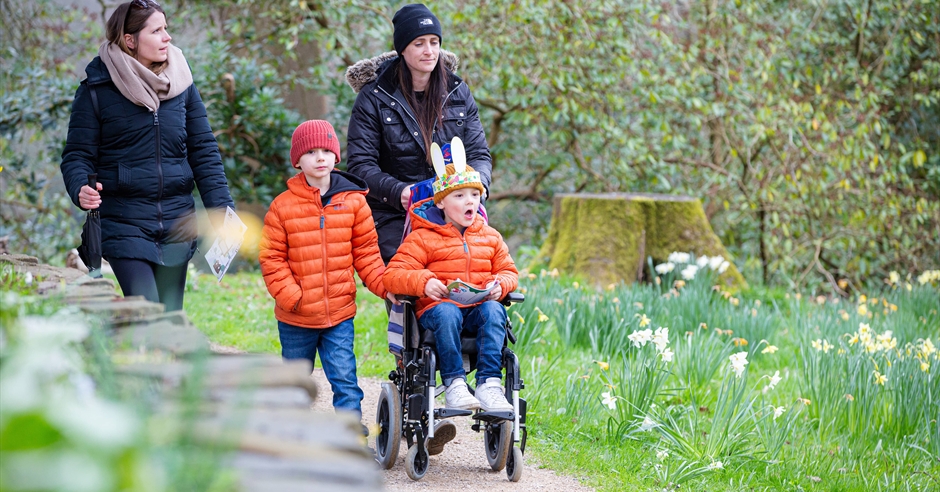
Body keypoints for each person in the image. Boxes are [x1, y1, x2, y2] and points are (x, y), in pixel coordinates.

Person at [60, 0, 233, 311]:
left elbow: (204, 151)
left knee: (169, 315)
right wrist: (79, 188)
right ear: (130, 40)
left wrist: (222, 212)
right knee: (146, 312)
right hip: (124, 222)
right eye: (156, 30)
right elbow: (76, 155)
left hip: (178, 222)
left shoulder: (182, 84)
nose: (167, 37)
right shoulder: (96, 90)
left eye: (166, 28)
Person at [259, 120, 394, 423]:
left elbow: (367, 254)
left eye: (325, 151)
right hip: (296, 316)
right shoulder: (282, 207)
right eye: (310, 152)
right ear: (298, 161)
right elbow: (271, 258)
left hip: (338, 314)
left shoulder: (355, 203)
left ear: (336, 157)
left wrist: (387, 288)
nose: (319, 157)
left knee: (345, 381)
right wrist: (293, 296)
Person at [345, 3, 493, 264]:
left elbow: (479, 153)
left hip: (453, 210)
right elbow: (360, 165)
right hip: (393, 214)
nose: (429, 51)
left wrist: (477, 188)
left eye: (434, 42)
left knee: (475, 273)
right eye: (419, 43)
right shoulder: (374, 97)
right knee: (409, 282)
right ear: (402, 49)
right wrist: (398, 192)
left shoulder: (458, 91)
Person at [383, 162, 519, 416]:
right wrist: (424, 282)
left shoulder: (490, 237)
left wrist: (500, 286)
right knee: (448, 312)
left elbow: (509, 272)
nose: (470, 201)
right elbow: (392, 276)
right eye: (459, 195)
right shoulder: (422, 238)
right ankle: (454, 382)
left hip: (477, 311)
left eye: (475, 195)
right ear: (441, 202)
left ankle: (489, 384)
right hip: (438, 314)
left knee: (494, 309)